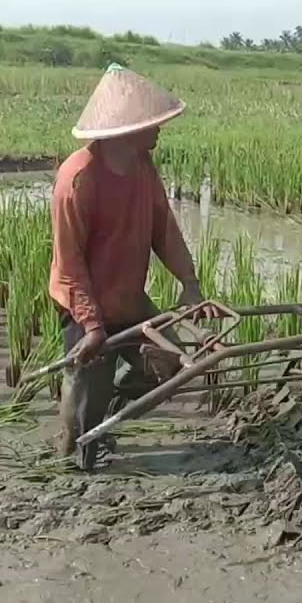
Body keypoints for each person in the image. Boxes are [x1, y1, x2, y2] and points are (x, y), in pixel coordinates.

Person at [48, 63, 205, 471]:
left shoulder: (142, 168)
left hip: (129, 299)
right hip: (87, 306)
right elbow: (69, 263)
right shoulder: (78, 179)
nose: (159, 129)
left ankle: (107, 411)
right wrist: (92, 325)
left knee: (168, 366)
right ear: (126, 128)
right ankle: (75, 459)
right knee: (83, 413)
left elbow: (163, 230)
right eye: (152, 123)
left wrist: (189, 281)